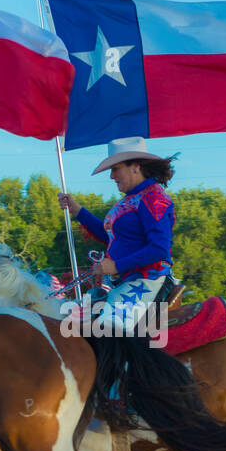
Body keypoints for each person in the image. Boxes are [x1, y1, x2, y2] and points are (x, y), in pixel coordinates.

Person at [58, 137, 176, 334]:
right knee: (73, 326)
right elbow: (110, 237)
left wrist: (116, 266)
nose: (112, 176)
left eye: (115, 169)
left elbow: (159, 248)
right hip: (126, 282)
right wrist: (77, 210)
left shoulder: (153, 197)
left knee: (109, 332)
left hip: (146, 280)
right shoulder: (131, 200)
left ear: (135, 166)